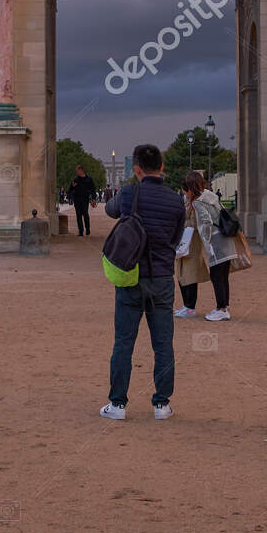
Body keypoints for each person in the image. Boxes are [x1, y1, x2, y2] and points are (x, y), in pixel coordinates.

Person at [100, 143, 185, 423]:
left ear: (136, 169)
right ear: (162, 167)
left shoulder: (128, 193)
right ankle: (161, 404)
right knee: (163, 343)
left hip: (131, 276)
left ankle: (118, 404)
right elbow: (176, 236)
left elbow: (111, 211)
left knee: (124, 342)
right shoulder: (175, 200)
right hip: (162, 278)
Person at [183, 171, 237, 321]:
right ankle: (224, 306)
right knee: (223, 275)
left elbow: (205, 222)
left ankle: (221, 309)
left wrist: (205, 241)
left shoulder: (198, 202)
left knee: (216, 276)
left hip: (215, 241)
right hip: (226, 238)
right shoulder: (210, 196)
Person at [174, 174, 210, 317]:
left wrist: (180, 223)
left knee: (189, 276)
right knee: (181, 274)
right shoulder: (189, 201)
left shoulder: (198, 203)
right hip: (184, 243)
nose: (184, 192)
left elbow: (195, 223)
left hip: (192, 243)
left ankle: (190, 306)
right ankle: (186, 305)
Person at [69, 165, 97, 236]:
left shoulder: (89, 179)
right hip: (77, 199)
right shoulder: (76, 179)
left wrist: (94, 198)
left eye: (77, 171)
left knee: (85, 214)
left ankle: (87, 229)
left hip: (85, 199)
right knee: (78, 215)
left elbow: (93, 189)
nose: (77, 172)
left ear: (81, 170)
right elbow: (70, 189)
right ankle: (80, 231)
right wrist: (72, 186)